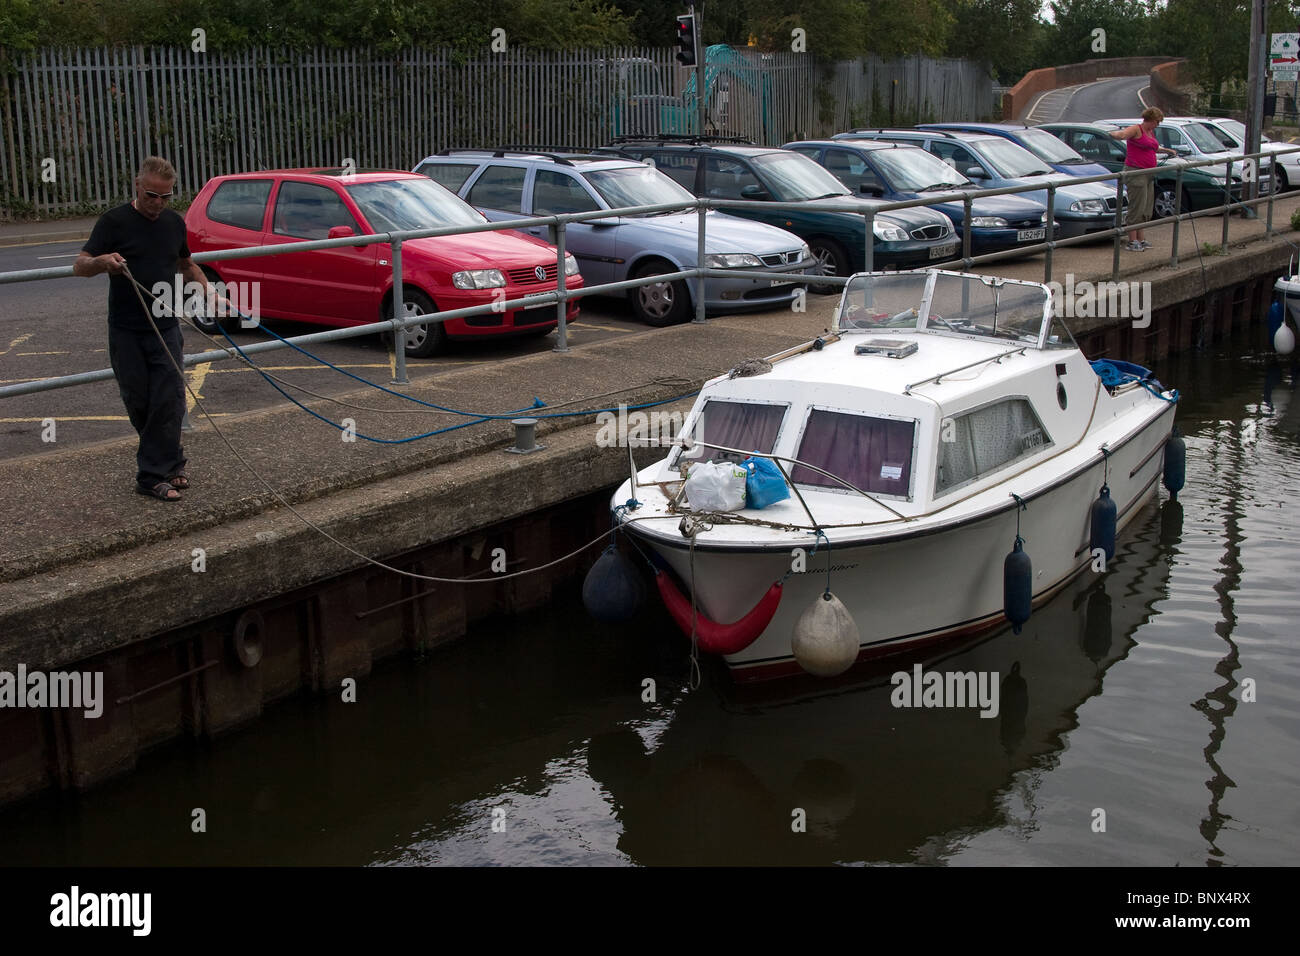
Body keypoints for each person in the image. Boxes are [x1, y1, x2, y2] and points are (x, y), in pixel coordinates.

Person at [74, 156, 216, 501]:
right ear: (138, 186)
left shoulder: (173, 224)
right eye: (152, 195)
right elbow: (80, 266)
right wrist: (102, 262)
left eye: (166, 197)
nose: (158, 204)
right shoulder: (114, 222)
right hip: (126, 329)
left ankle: (151, 476)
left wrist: (209, 291)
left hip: (165, 326)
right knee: (138, 400)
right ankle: (173, 462)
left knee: (168, 400)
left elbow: (186, 265)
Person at [1110, 107, 1177, 251]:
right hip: (1136, 172)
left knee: (1146, 207)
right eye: (1157, 122)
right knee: (1136, 206)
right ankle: (1132, 240)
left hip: (1148, 173)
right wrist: (1113, 134)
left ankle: (1141, 238)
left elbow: (1153, 147)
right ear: (1151, 120)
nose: (1158, 125)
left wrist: (1167, 151)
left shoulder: (1149, 132)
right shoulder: (1136, 129)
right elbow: (1122, 134)